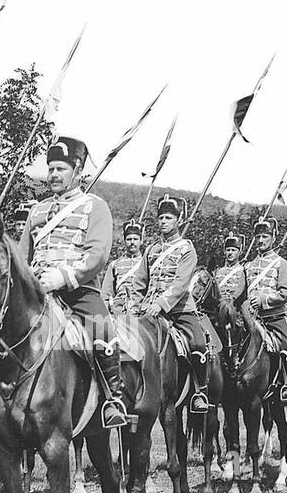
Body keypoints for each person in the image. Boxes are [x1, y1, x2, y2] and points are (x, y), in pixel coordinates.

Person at [18, 136, 128, 428]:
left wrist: (63, 277)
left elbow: (98, 254)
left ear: (77, 170)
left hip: (78, 292)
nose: (54, 175)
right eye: (51, 169)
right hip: (37, 292)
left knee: (103, 330)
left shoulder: (95, 207)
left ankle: (112, 398)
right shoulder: (37, 211)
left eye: (61, 169)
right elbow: (22, 257)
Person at [130, 195, 209, 412]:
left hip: (179, 310)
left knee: (198, 344)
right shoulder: (151, 250)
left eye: (169, 218)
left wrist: (161, 304)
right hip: (148, 311)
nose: (163, 221)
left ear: (178, 220)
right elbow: (139, 283)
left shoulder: (186, 249)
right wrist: (134, 307)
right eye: (161, 217)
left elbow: (181, 284)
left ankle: (200, 392)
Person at [235, 216, 287, 402]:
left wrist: (263, 300)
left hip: (274, 317)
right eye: (258, 237)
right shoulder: (248, 266)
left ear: (273, 238)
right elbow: (239, 294)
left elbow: (285, 292)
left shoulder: (281, 263)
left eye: (265, 236)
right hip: (250, 319)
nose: (261, 240)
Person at [101, 220, 146, 316]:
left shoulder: (147, 263)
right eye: (129, 239)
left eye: (135, 239)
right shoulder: (114, 265)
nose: (132, 242)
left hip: (141, 309)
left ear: (141, 241)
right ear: (124, 241)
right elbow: (106, 294)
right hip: (119, 310)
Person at [215, 234, 247, 334]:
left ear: (239, 252)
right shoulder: (218, 272)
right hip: (218, 311)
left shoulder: (243, 271)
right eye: (228, 250)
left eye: (233, 250)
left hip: (236, 311)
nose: (230, 253)